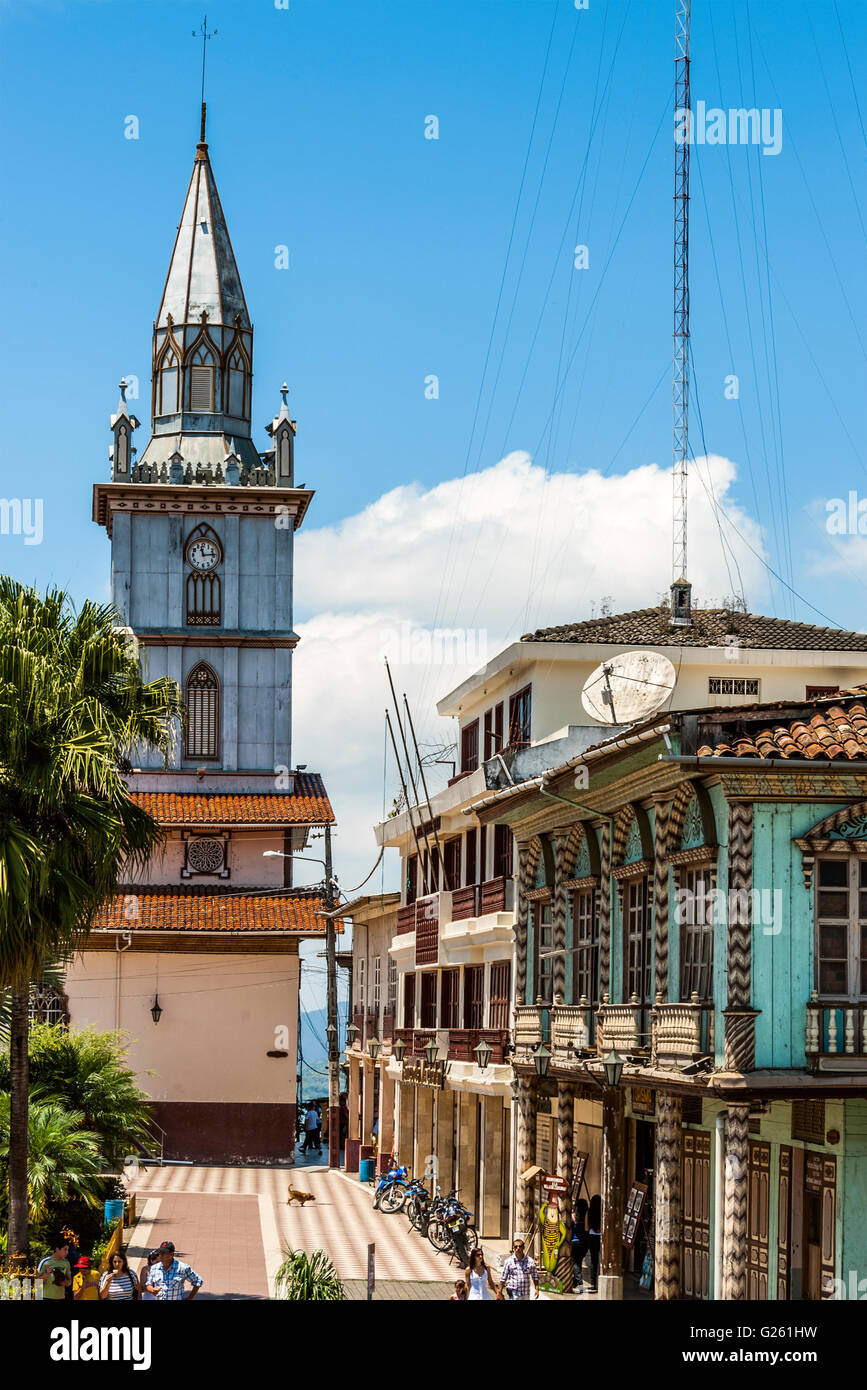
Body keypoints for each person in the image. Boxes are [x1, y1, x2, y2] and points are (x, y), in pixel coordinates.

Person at [497, 1237, 539, 1301]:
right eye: (516, 1247)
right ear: (513, 1248)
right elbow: (503, 1278)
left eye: (520, 1246)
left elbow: (535, 1276)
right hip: (513, 1293)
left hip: (525, 1293)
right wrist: (499, 1292)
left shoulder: (530, 1261)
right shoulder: (508, 1261)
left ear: (524, 1248)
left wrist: (537, 1289)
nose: (518, 1248)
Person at [571, 1199, 589, 1290]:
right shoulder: (587, 1215)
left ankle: (579, 1282)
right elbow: (586, 1229)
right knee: (579, 1262)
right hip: (584, 1243)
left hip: (574, 1242)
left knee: (576, 1263)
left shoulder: (573, 1216)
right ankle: (576, 1282)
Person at [586, 1194, 602, 1292]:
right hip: (602, 1237)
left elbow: (587, 1228)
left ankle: (593, 1283)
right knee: (602, 1260)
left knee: (593, 1261)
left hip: (592, 1237)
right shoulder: (602, 1211)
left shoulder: (589, 1212)